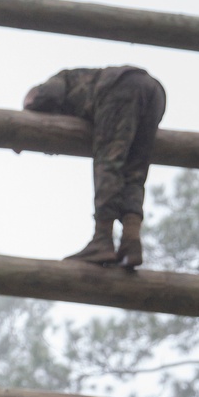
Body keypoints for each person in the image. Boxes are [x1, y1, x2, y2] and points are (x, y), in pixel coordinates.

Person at [23, 65, 166, 267]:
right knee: (134, 171)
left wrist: (28, 114)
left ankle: (102, 239)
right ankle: (131, 240)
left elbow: (50, 94)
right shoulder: (79, 84)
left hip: (120, 88)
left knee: (108, 163)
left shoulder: (60, 79)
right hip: (155, 93)